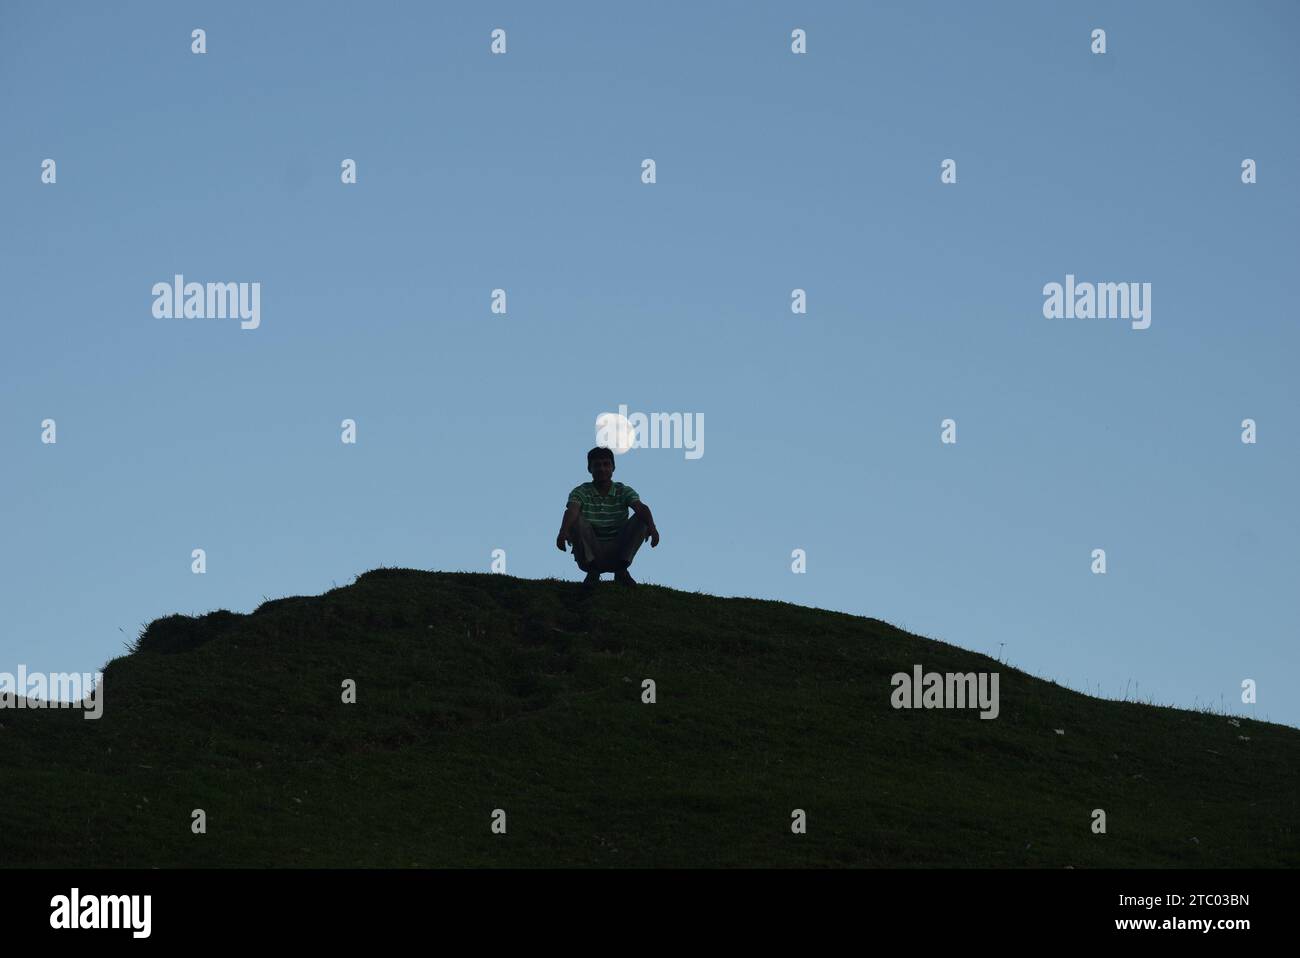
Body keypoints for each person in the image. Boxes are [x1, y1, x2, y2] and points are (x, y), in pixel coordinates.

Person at [556, 446, 660, 588]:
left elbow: (641, 507)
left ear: (613, 467)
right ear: (589, 469)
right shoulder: (581, 491)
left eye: (606, 464)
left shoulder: (622, 490)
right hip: (591, 549)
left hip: (619, 548)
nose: (602, 469)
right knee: (575, 520)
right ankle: (593, 572)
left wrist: (652, 528)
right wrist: (563, 532)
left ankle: (621, 570)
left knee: (642, 518)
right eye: (597, 465)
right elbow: (572, 511)